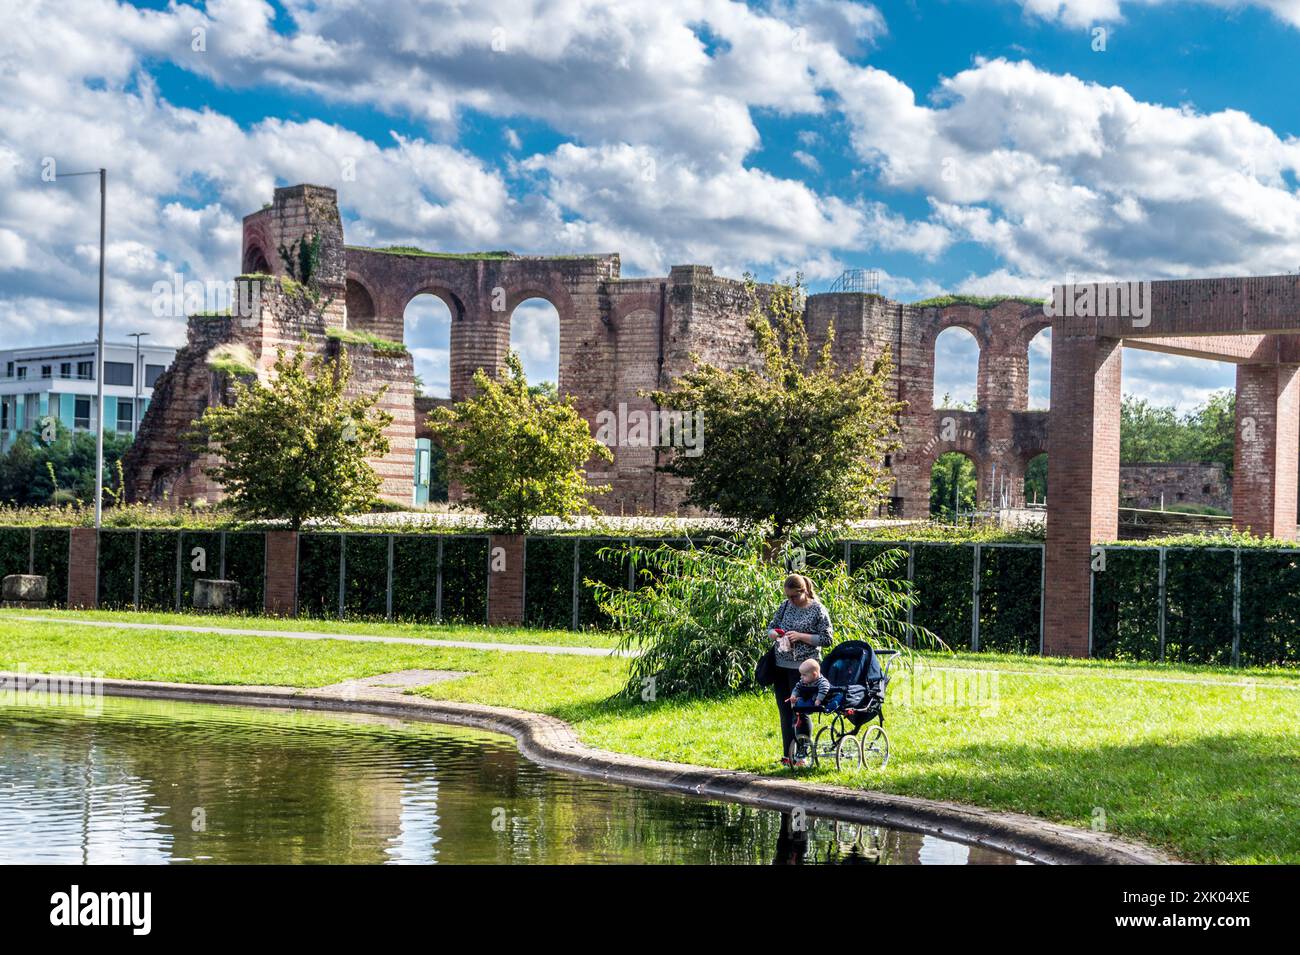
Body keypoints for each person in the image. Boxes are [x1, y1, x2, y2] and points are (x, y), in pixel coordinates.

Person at [766, 573, 833, 766]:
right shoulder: (785, 606)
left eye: (794, 596)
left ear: (804, 591)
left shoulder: (818, 610)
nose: (791, 600)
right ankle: (788, 755)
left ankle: (802, 755)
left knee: (801, 710)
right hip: (781, 665)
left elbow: (827, 639)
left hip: (805, 669)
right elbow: (771, 628)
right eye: (788, 597)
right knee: (785, 711)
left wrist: (801, 636)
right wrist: (775, 634)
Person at [786, 658, 831, 752]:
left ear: (814, 674)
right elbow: (797, 688)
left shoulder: (822, 682)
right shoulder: (803, 681)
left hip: (815, 702)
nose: (801, 677)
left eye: (804, 675)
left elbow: (824, 689)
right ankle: (795, 707)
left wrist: (819, 699)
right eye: (801, 675)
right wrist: (793, 695)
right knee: (798, 702)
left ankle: (799, 707)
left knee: (804, 702)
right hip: (807, 700)